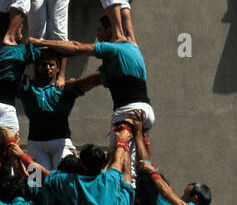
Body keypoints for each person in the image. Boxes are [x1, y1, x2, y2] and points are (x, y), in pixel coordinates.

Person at [36, 16, 154, 150]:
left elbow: (77, 48)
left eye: (100, 30)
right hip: (146, 110)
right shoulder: (131, 50)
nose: (97, 35)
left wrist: (40, 42)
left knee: (118, 156)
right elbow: (93, 80)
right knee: (138, 156)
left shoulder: (114, 49)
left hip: (128, 110)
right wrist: (73, 85)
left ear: (110, 30)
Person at [20, 54, 100, 172]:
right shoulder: (28, 87)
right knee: (35, 183)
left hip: (61, 143)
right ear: (37, 67)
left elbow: (90, 81)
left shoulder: (65, 88)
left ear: (58, 68)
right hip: (35, 144)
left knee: (65, 180)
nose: (48, 67)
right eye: (44, 64)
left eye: (51, 64)